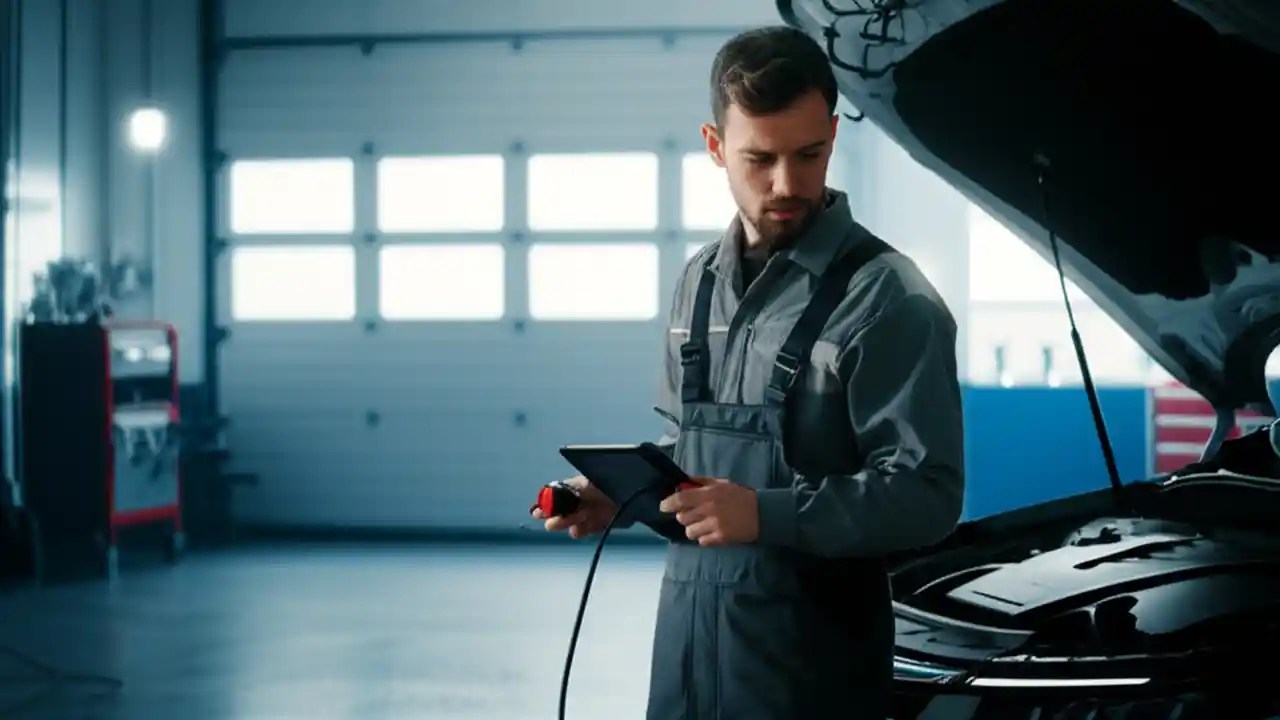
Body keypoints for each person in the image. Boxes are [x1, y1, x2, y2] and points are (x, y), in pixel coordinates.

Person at [532, 25, 965, 720]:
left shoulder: (888, 298)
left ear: (832, 133)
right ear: (714, 146)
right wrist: (628, 497)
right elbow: (697, 461)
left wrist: (764, 513)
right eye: (759, 159)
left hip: (811, 674)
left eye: (809, 154)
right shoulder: (698, 286)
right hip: (689, 662)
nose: (787, 184)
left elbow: (927, 493)